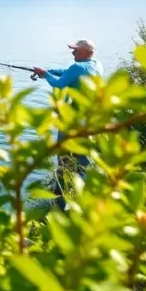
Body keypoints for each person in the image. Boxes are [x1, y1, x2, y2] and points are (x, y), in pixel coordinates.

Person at [31, 39, 104, 210]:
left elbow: (59, 83)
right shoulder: (96, 65)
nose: (73, 53)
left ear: (86, 52)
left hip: (71, 121)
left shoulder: (78, 67)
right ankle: (83, 200)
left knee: (63, 160)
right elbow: (66, 73)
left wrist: (46, 75)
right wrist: (46, 71)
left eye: (76, 50)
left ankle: (60, 203)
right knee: (83, 161)